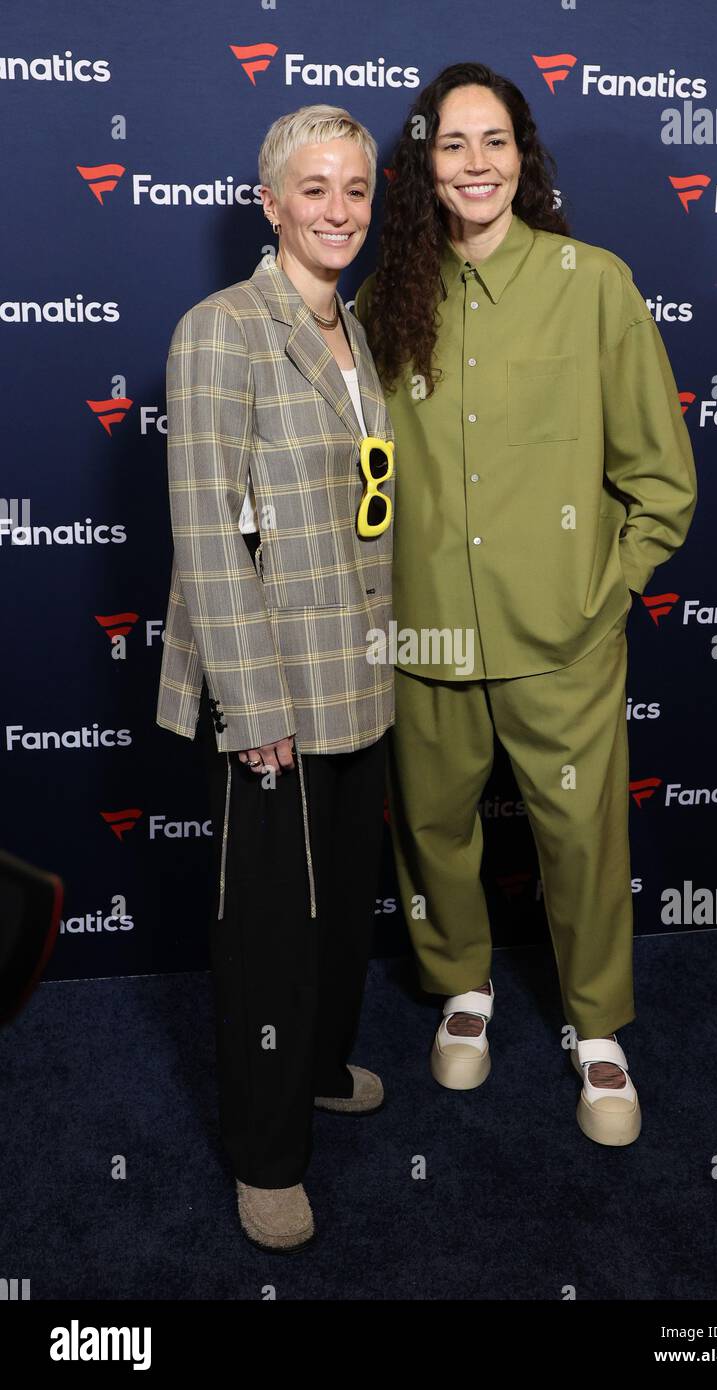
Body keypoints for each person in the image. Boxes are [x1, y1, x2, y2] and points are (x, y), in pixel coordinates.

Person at [354, 63, 697, 1146]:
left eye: (493, 140)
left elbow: (660, 478)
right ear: (423, 165)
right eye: (451, 144)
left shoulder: (591, 282)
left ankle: (597, 1029)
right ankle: (463, 987)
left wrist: (607, 589)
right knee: (431, 831)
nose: (475, 164)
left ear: (523, 154)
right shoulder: (382, 298)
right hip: (425, 638)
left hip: (562, 638)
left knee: (582, 843)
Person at [156, 105, 395, 1249]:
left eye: (355, 188)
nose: (338, 209)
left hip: (360, 676)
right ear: (270, 203)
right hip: (275, 688)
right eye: (314, 188)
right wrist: (251, 706)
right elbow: (208, 533)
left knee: (338, 913)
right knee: (268, 934)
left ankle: (314, 1067)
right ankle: (264, 1152)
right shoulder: (221, 330)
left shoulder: (357, 328)